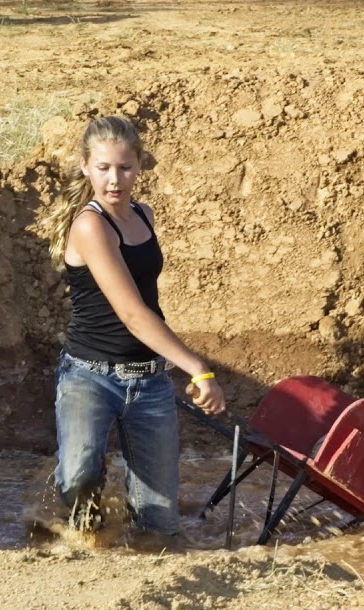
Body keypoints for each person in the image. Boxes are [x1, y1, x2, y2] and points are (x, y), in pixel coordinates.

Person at [43, 115, 225, 535]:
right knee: (79, 483)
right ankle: (76, 544)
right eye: (103, 168)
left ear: (140, 165)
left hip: (150, 384)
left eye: (125, 167)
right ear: (86, 166)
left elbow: (146, 302)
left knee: (159, 525)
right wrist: (199, 368)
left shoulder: (144, 215)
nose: (114, 180)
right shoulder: (90, 225)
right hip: (90, 377)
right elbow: (132, 314)